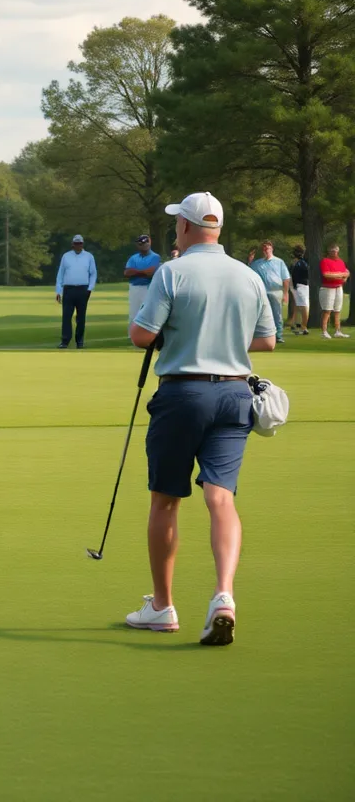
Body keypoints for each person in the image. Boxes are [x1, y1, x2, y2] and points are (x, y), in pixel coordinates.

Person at [125, 191, 275, 647]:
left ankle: (162, 607)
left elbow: (141, 335)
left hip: (183, 393)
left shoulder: (172, 271)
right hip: (235, 394)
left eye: (177, 224)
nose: (175, 230)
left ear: (187, 228)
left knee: (166, 499)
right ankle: (223, 596)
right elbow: (267, 341)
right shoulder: (248, 276)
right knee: (221, 498)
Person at [54, 234, 96, 348]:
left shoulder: (89, 257)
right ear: (73, 244)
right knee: (66, 316)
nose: (78, 245)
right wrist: (58, 291)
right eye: (76, 243)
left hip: (83, 289)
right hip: (68, 289)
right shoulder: (66, 256)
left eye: (80, 243)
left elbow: (93, 274)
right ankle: (65, 341)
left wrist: (90, 288)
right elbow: (60, 274)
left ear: (82, 244)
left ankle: (80, 341)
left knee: (81, 317)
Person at [250, 240, 290, 343]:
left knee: (277, 314)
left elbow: (286, 278)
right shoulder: (257, 263)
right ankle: (262, 335)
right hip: (262, 292)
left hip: (276, 291)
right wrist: (250, 261)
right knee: (262, 313)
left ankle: (278, 335)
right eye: (264, 248)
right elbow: (249, 274)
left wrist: (285, 293)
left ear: (272, 249)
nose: (266, 250)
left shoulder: (279, 262)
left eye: (268, 248)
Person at [124, 235, 160, 323]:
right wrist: (143, 271)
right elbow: (127, 273)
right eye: (141, 244)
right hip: (134, 287)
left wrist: (135, 271)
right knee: (133, 313)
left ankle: (147, 335)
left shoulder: (155, 257)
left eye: (145, 243)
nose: (143, 245)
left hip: (148, 287)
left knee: (147, 312)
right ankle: (132, 335)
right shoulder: (133, 258)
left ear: (149, 243)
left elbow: (150, 273)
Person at [319, 242, 350, 339]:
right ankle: (324, 331)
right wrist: (340, 275)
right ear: (329, 252)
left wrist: (342, 276)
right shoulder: (325, 261)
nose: (335, 253)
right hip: (328, 288)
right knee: (327, 310)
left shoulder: (340, 262)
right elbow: (327, 275)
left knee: (337, 310)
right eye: (333, 251)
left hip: (338, 287)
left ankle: (337, 331)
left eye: (336, 251)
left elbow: (346, 272)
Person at [289, 245, 310, 335]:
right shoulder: (302, 263)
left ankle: (301, 326)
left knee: (301, 305)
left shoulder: (298, 263)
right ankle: (300, 325)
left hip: (298, 286)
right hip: (300, 286)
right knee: (301, 305)